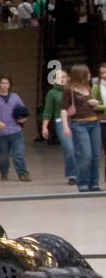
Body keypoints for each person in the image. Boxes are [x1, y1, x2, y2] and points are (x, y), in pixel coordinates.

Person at [60, 64, 101, 193]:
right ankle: (82, 182)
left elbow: (91, 104)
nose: (89, 76)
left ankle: (94, 183)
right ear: (80, 75)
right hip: (79, 124)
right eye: (87, 74)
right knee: (86, 154)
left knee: (96, 155)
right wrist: (65, 126)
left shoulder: (89, 88)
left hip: (94, 123)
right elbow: (64, 109)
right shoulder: (69, 90)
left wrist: (95, 103)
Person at [0, 77, 30, 181]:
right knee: (4, 156)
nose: (4, 85)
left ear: (9, 85)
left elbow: (23, 110)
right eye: (2, 83)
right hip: (1, 133)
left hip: (16, 132)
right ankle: (4, 173)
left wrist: (23, 119)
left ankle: (23, 174)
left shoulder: (15, 97)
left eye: (7, 83)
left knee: (19, 154)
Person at [42, 69, 76, 184]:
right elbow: (48, 111)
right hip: (61, 122)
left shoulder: (72, 90)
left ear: (68, 78)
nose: (62, 79)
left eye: (64, 77)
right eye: (59, 77)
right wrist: (44, 127)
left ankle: (82, 173)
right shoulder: (52, 93)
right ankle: (72, 175)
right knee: (69, 149)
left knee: (80, 149)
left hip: (76, 121)